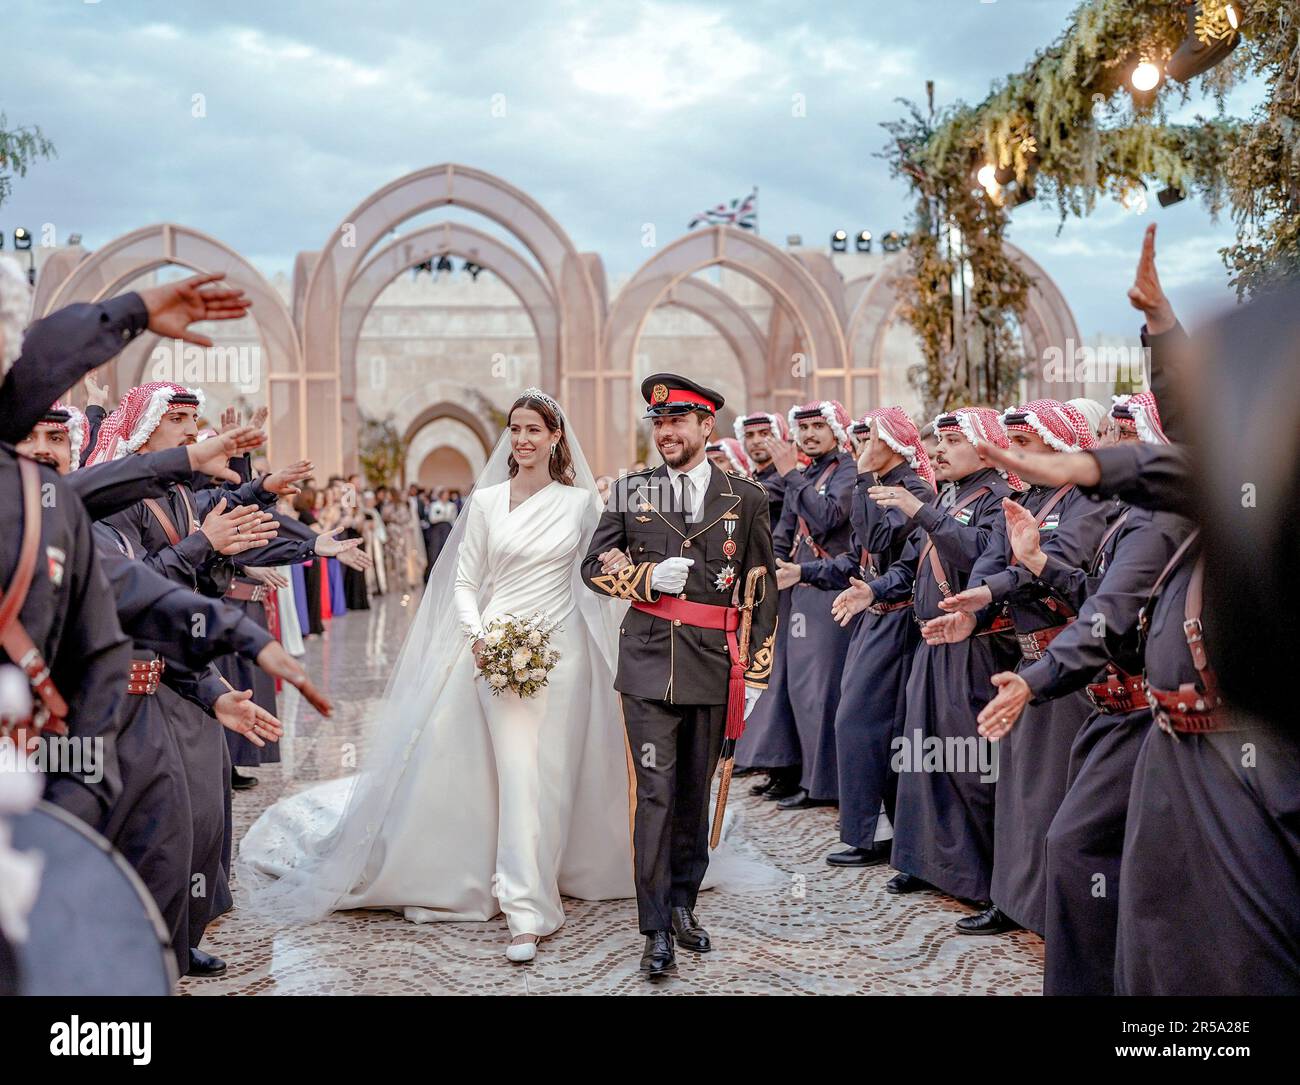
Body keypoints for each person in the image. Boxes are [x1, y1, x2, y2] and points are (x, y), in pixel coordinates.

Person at [239, 388, 639, 965]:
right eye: (516, 428)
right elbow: (462, 581)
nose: (523, 439)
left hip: (567, 655)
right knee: (520, 770)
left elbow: (598, 573)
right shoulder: (486, 503)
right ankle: (527, 909)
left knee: (550, 775)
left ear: (555, 437)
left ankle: (554, 866)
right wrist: (478, 637)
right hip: (496, 650)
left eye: (534, 429)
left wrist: (625, 574)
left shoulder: (579, 505)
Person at [581, 373, 777, 978]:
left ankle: (687, 903)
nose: (664, 432)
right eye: (658, 423)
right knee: (656, 796)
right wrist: (642, 582)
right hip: (645, 663)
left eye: (676, 423)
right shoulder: (632, 492)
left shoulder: (746, 498)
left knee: (692, 795)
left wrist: (758, 671)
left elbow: (761, 587)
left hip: (715, 665)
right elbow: (592, 566)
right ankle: (656, 927)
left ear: (704, 426)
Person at [933, 400, 1113, 937]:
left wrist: (993, 588)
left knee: (1048, 797)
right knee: (1015, 791)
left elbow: (1058, 560)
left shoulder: (1085, 499)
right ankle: (1010, 899)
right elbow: (996, 555)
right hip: (1026, 655)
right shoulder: (1026, 496)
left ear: (1058, 444)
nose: (1015, 455)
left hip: (1065, 663)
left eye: (1026, 445)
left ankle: (1046, 910)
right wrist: (978, 607)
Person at [881, 408, 1018, 909]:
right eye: (937, 440)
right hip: (931, 644)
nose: (937, 450)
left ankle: (984, 884)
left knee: (971, 766)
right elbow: (910, 565)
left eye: (952, 440)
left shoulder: (1000, 499)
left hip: (975, 649)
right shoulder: (947, 494)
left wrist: (923, 513)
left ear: (985, 446)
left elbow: (979, 559)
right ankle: (928, 864)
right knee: (921, 759)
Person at [804, 408, 935, 867]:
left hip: (896, 619)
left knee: (867, 723)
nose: (861, 445)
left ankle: (879, 836)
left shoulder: (912, 491)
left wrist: (859, 478)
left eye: (870, 438)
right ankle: (870, 831)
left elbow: (880, 542)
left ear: (893, 445)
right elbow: (860, 554)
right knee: (859, 722)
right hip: (873, 614)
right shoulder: (883, 487)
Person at [741, 400, 855, 810]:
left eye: (817, 427)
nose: (809, 435)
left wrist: (789, 473)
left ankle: (825, 783)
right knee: (797, 688)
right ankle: (805, 776)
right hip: (799, 587)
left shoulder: (847, 470)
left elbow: (829, 518)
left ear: (836, 430)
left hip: (831, 589)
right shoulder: (805, 474)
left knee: (822, 691)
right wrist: (766, 572)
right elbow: (785, 530)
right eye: (803, 427)